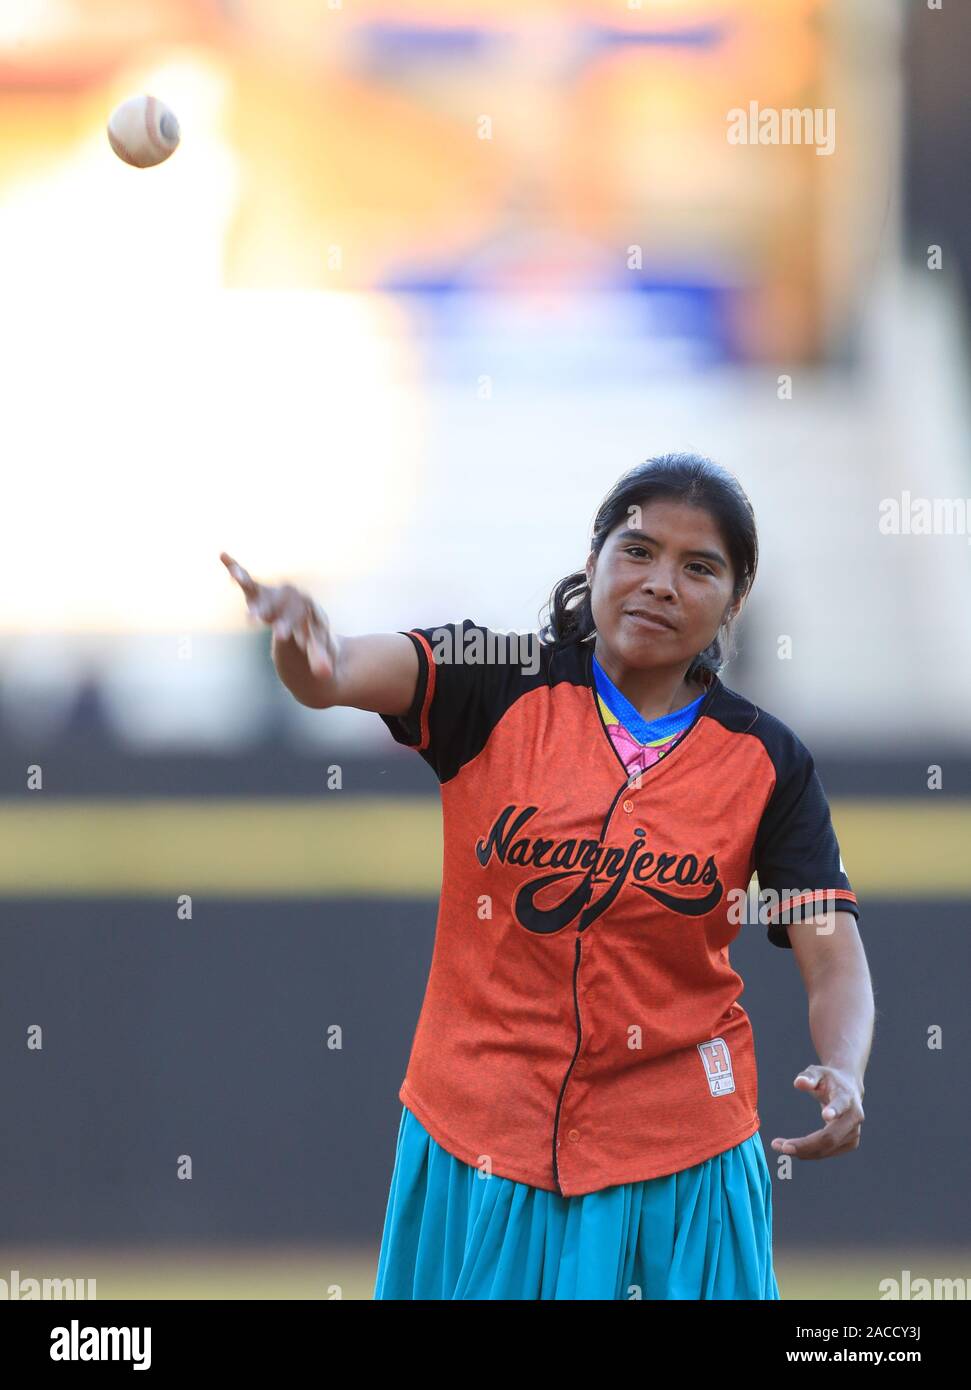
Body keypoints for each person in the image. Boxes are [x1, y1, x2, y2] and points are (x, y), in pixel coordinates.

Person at [221, 452, 874, 1301]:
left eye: (698, 567)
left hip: (677, 1159)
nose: (660, 583)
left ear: (733, 602)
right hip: (483, 1142)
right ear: (593, 560)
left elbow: (832, 954)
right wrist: (300, 639)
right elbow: (332, 672)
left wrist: (846, 1065)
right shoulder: (490, 678)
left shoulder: (766, 759)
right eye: (636, 551)